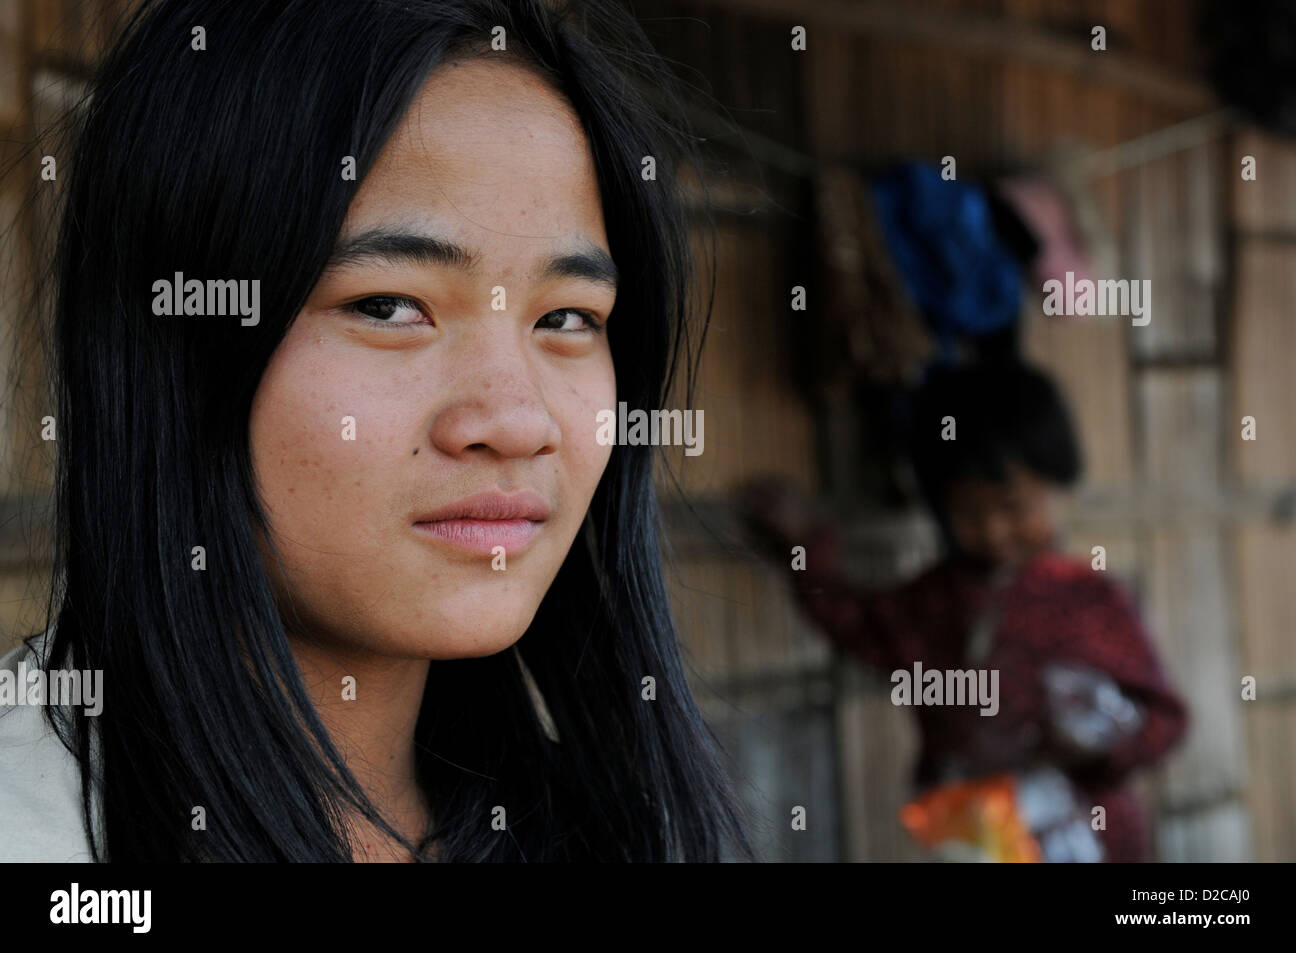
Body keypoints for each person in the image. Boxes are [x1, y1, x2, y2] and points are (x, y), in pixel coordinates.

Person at [0, 0, 752, 863]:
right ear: (172, 339)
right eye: (389, 305)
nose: (515, 421)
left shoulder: (600, 828)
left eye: (570, 317)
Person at [739, 359, 1188, 862]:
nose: (995, 531)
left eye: (1014, 508)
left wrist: (1096, 749)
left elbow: (1166, 720)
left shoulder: (1093, 601)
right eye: (970, 514)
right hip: (973, 836)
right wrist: (805, 547)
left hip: (1095, 836)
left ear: (1055, 484)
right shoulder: (931, 602)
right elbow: (853, 623)